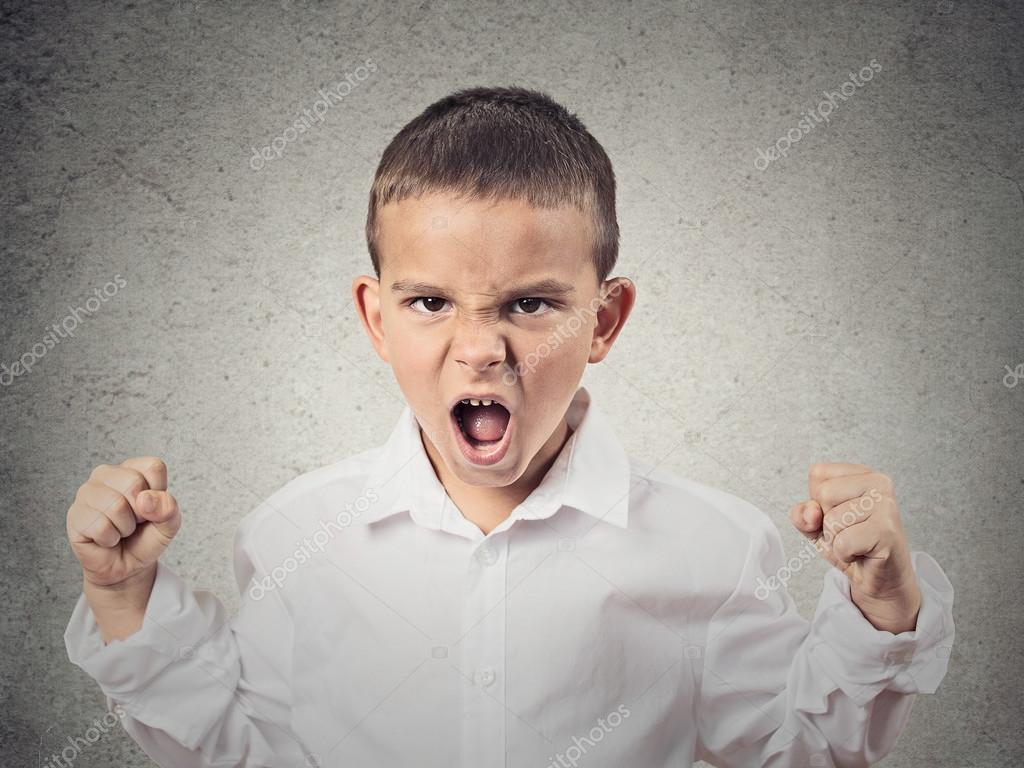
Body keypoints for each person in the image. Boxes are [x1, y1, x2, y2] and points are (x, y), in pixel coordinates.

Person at [64, 86, 955, 767]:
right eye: (430, 302)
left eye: (530, 304)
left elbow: (799, 753)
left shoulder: (713, 550)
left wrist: (879, 613)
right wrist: (123, 603)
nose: (481, 349)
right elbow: (243, 750)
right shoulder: (297, 535)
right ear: (377, 319)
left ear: (604, 322)